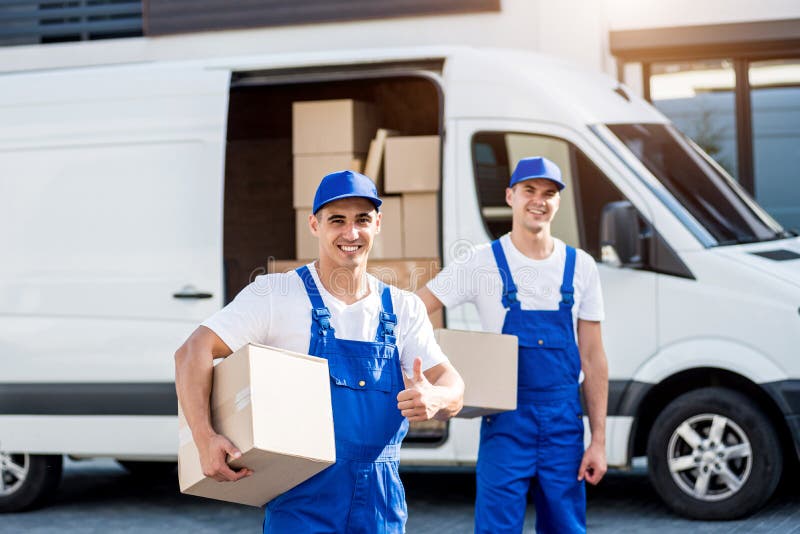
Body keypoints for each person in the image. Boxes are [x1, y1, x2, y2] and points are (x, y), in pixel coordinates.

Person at [175, 170, 464, 533]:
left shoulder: (404, 308)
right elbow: (192, 351)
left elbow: (453, 385)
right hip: (301, 497)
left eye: (362, 220)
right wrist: (204, 438)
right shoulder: (275, 295)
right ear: (314, 224)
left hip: (381, 503)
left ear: (378, 224)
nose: (351, 233)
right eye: (336, 220)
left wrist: (437, 397)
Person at [418, 157, 608, 533]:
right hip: (506, 424)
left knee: (566, 528)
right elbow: (417, 308)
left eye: (549, 193)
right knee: (496, 528)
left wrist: (598, 440)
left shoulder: (580, 266)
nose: (539, 201)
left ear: (557, 202)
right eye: (529, 191)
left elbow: (593, 357)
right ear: (510, 196)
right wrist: (440, 368)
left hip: (563, 426)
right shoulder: (481, 261)